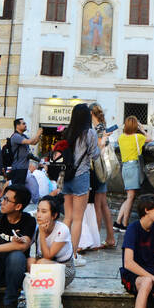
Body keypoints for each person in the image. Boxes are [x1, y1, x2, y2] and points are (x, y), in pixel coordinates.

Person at [60, 103, 99, 254]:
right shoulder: (89, 133)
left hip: (67, 177)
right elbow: (94, 155)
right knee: (78, 219)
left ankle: (61, 250)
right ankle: (73, 253)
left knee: (67, 218)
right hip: (81, 176)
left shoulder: (67, 132)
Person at [88, 103, 118, 249]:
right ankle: (110, 237)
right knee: (104, 204)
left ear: (91, 113)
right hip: (104, 166)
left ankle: (96, 239)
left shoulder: (97, 128)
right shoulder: (102, 125)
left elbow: (99, 145)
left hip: (98, 166)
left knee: (98, 205)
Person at [32, 194, 76, 290]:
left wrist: (42, 233)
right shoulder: (36, 228)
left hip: (64, 269)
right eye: (38, 210)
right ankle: (36, 290)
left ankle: (40, 289)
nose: (39, 215)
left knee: (41, 263)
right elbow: (26, 245)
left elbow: (48, 256)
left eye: (44, 211)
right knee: (29, 261)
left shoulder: (62, 229)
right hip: (42, 265)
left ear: (54, 215)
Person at [116, 116, 148, 231]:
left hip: (124, 167)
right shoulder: (138, 137)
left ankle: (118, 221)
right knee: (130, 197)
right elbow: (149, 139)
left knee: (129, 196)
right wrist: (142, 129)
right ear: (135, 126)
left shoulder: (121, 138)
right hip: (133, 167)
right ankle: (124, 224)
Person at [6, 118, 44, 189]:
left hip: (23, 168)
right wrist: (37, 134)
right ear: (17, 126)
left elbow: (34, 142)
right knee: (17, 189)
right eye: (23, 124)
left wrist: (39, 136)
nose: (25, 125)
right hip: (18, 168)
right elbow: (29, 141)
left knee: (21, 189)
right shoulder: (15, 136)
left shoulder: (23, 136)